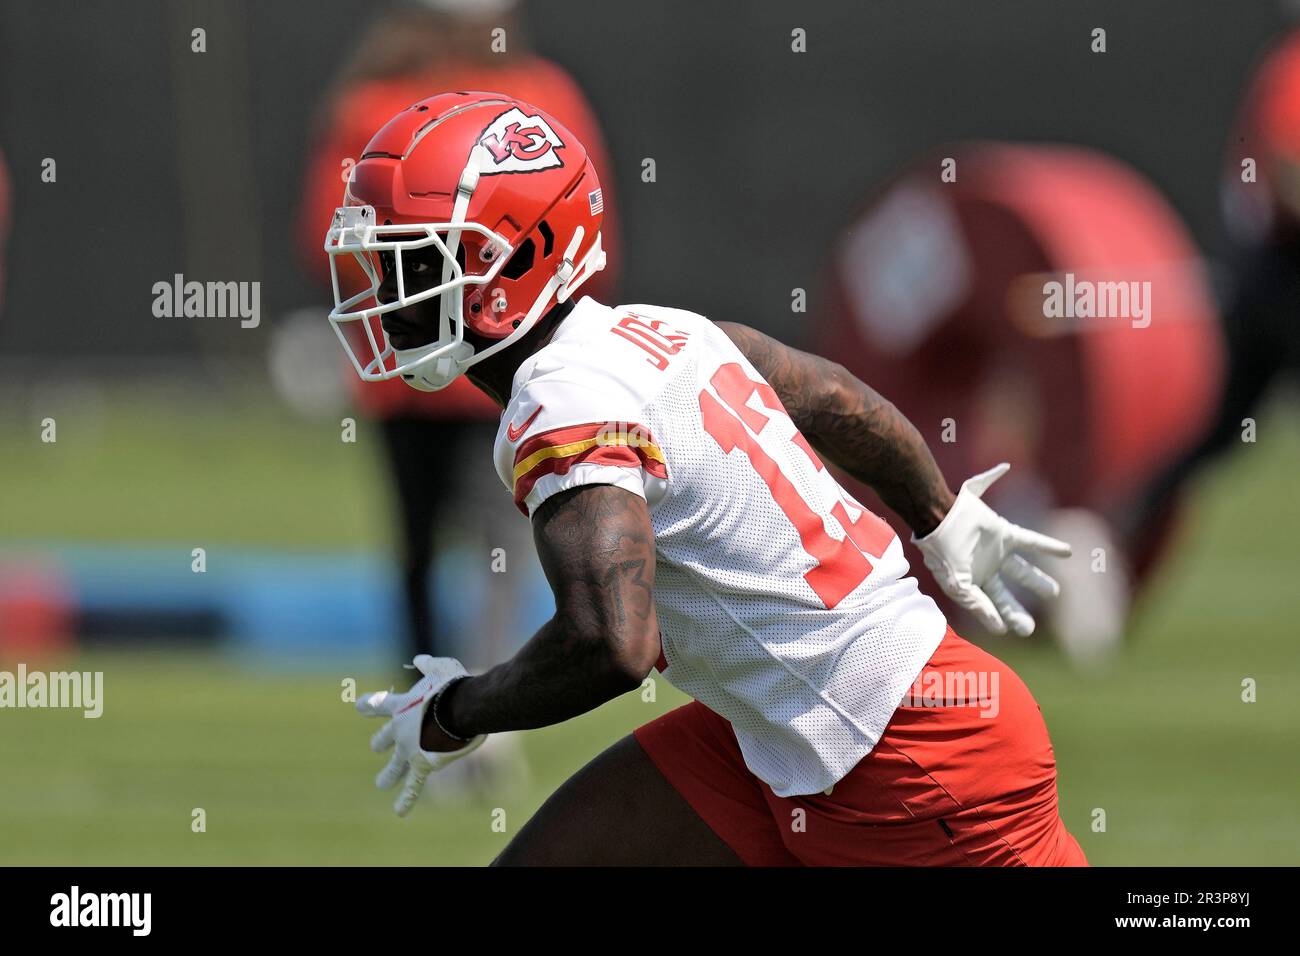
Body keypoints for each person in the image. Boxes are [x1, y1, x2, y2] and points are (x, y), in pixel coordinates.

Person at [334, 92, 1085, 866]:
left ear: (516, 258)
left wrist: (457, 710)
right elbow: (834, 397)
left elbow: (612, 644)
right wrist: (940, 517)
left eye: (415, 259)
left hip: (912, 758)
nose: (389, 292)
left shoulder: (564, 400)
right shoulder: (667, 331)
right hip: (797, 724)